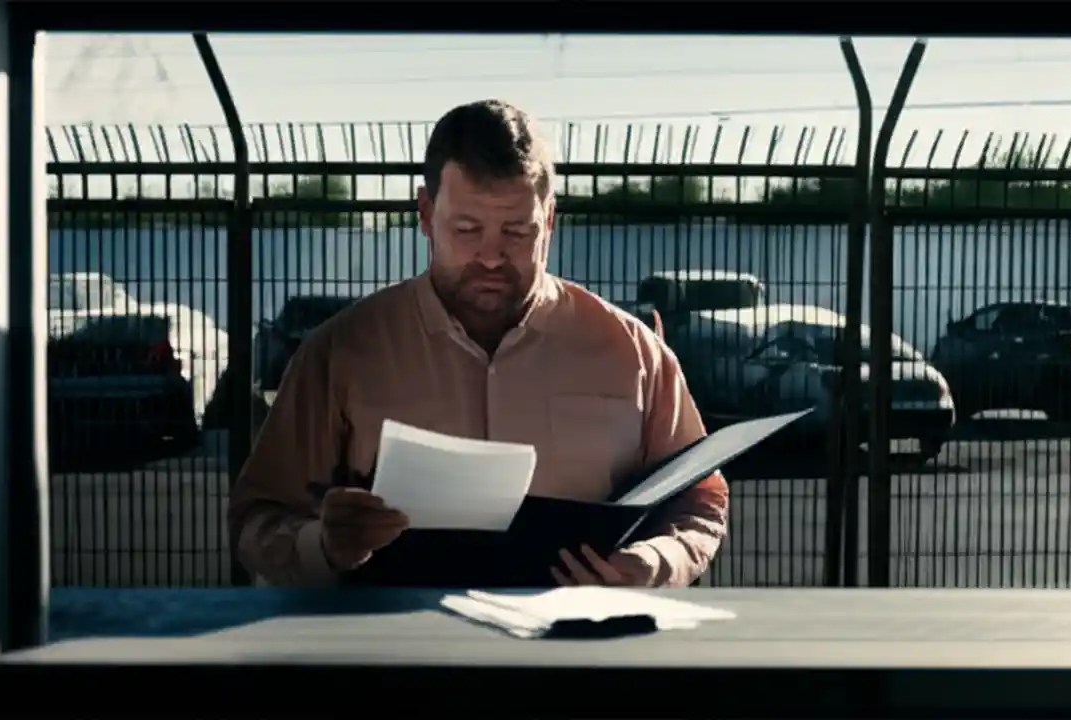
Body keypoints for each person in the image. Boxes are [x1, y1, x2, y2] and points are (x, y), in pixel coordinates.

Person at [227, 99, 729, 588]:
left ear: (550, 219)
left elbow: (699, 499)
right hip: (393, 657)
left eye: (517, 230)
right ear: (425, 215)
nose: (491, 256)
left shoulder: (633, 352)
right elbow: (257, 517)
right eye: (467, 229)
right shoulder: (341, 353)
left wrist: (653, 562)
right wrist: (324, 546)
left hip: (575, 656)